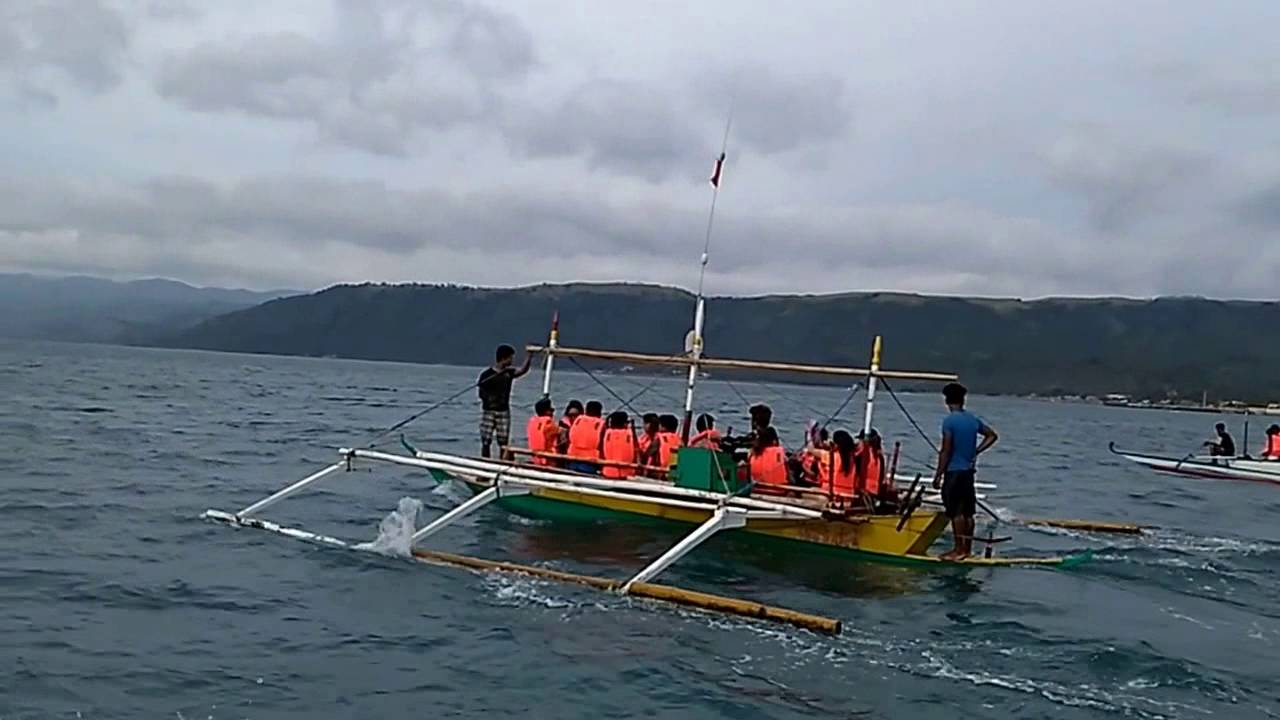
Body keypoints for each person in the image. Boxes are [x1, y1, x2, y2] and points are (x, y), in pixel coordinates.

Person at [932, 382, 998, 561]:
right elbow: (992, 435)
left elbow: (946, 450)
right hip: (969, 472)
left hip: (954, 472)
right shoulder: (972, 419)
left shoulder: (949, 421)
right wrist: (976, 450)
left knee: (956, 513)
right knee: (968, 513)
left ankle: (958, 550)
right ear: (963, 400)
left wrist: (938, 474)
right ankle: (966, 549)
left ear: (946, 400)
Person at [477, 344, 532, 458]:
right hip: (489, 410)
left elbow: (522, 371)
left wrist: (529, 357)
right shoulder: (487, 375)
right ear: (503, 358)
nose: (512, 360)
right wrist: (489, 399)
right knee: (486, 440)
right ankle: (485, 463)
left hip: (503, 411)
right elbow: (481, 393)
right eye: (510, 358)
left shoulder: (508, 373)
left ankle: (501, 463)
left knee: (503, 441)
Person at [567, 401, 605, 473]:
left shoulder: (578, 420)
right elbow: (603, 446)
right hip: (590, 463)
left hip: (573, 459)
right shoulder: (601, 425)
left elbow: (570, 437)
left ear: (586, 410)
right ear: (599, 412)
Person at [600, 411, 637, 479]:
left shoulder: (607, 433)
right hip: (626, 474)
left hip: (608, 472)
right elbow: (636, 449)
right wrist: (633, 428)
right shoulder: (630, 434)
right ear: (625, 423)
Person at [827, 430, 860, 499]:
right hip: (849, 497)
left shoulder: (831, 456)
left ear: (837, 445)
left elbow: (811, 449)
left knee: (813, 489)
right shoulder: (854, 457)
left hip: (835, 496)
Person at [526, 398, 559, 465]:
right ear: (546, 411)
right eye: (551, 410)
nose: (553, 412)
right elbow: (560, 431)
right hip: (548, 461)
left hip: (535, 459)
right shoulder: (549, 424)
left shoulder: (532, 422)